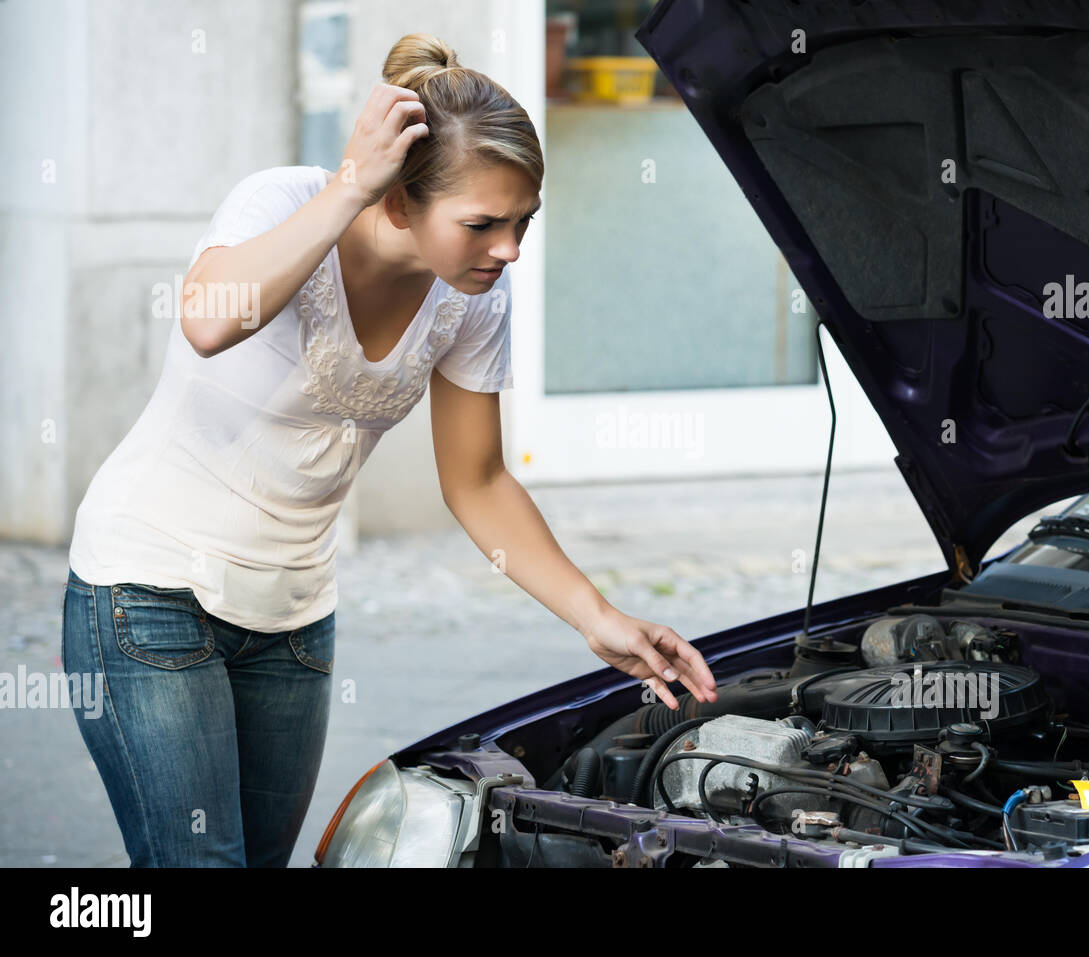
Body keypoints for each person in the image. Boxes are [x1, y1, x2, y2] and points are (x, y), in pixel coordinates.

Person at [61, 32, 717, 868]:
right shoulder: (281, 202)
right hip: (146, 591)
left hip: (293, 619)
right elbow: (207, 319)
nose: (510, 248)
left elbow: (477, 481)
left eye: (522, 222)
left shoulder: (474, 297)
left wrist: (599, 618)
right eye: (483, 223)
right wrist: (346, 188)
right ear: (400, 200)